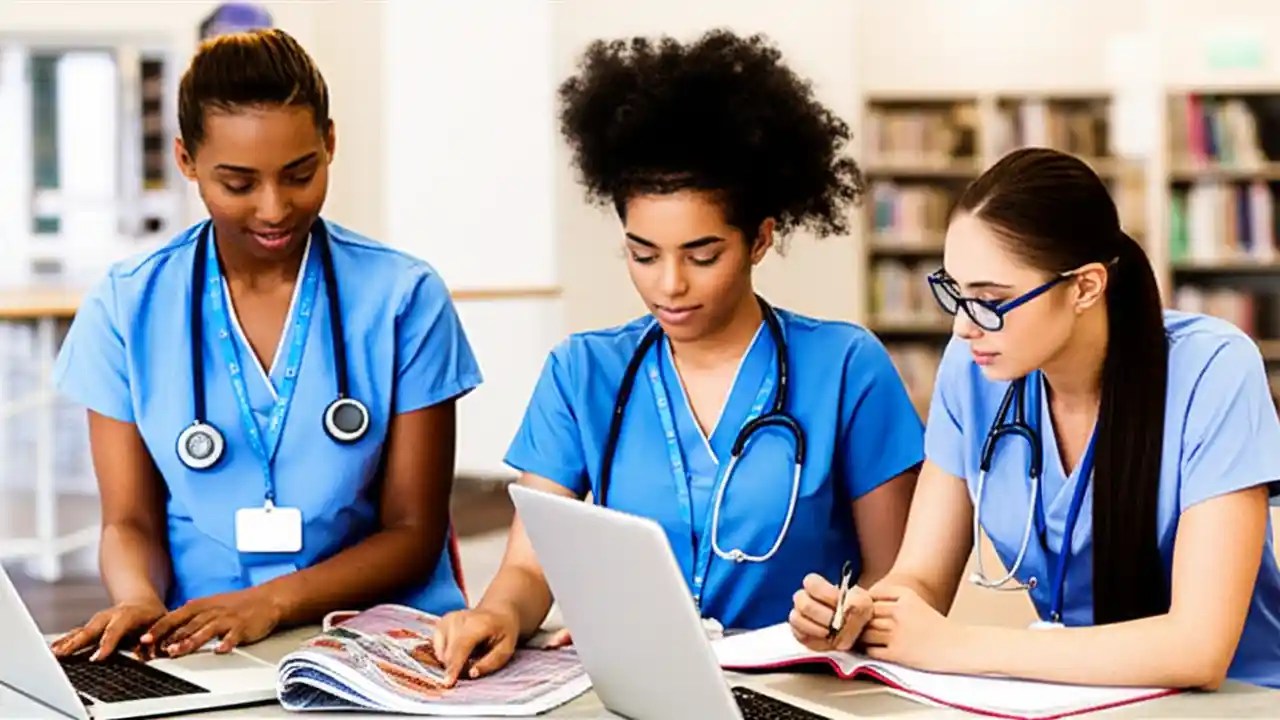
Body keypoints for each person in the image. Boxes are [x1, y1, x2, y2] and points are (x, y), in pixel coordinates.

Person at [430, 28, 924, 684]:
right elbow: (529, 567)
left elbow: (898, 583)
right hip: (640, 685)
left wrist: (846, 616)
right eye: (642, 254)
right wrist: (498, 613)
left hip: (798, 689)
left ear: (760, 240)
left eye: (702, 255)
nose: (669, 284)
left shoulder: (845, 369)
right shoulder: (583, 374)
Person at [49, 29, 482, 662]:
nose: (274, 208)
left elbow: (415, 532)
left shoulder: (402, 297)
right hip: (199, 639)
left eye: (300, 174)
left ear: (330, 144)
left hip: (373, 637)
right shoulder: (129, 304)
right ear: (186, 160)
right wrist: (139, 598)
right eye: (238, 183)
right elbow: (130, 521)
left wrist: (271, 603)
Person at [790, 147, 1280, 690]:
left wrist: (958, 645)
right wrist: (861, 615)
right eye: (955, 292)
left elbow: (1198, 649)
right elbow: (920, 580)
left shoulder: (1214, 370)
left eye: (990, 300)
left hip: (1235, 704)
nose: (962, 328)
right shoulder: (973, 372)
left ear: (1086, 287)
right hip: (1072, 699)